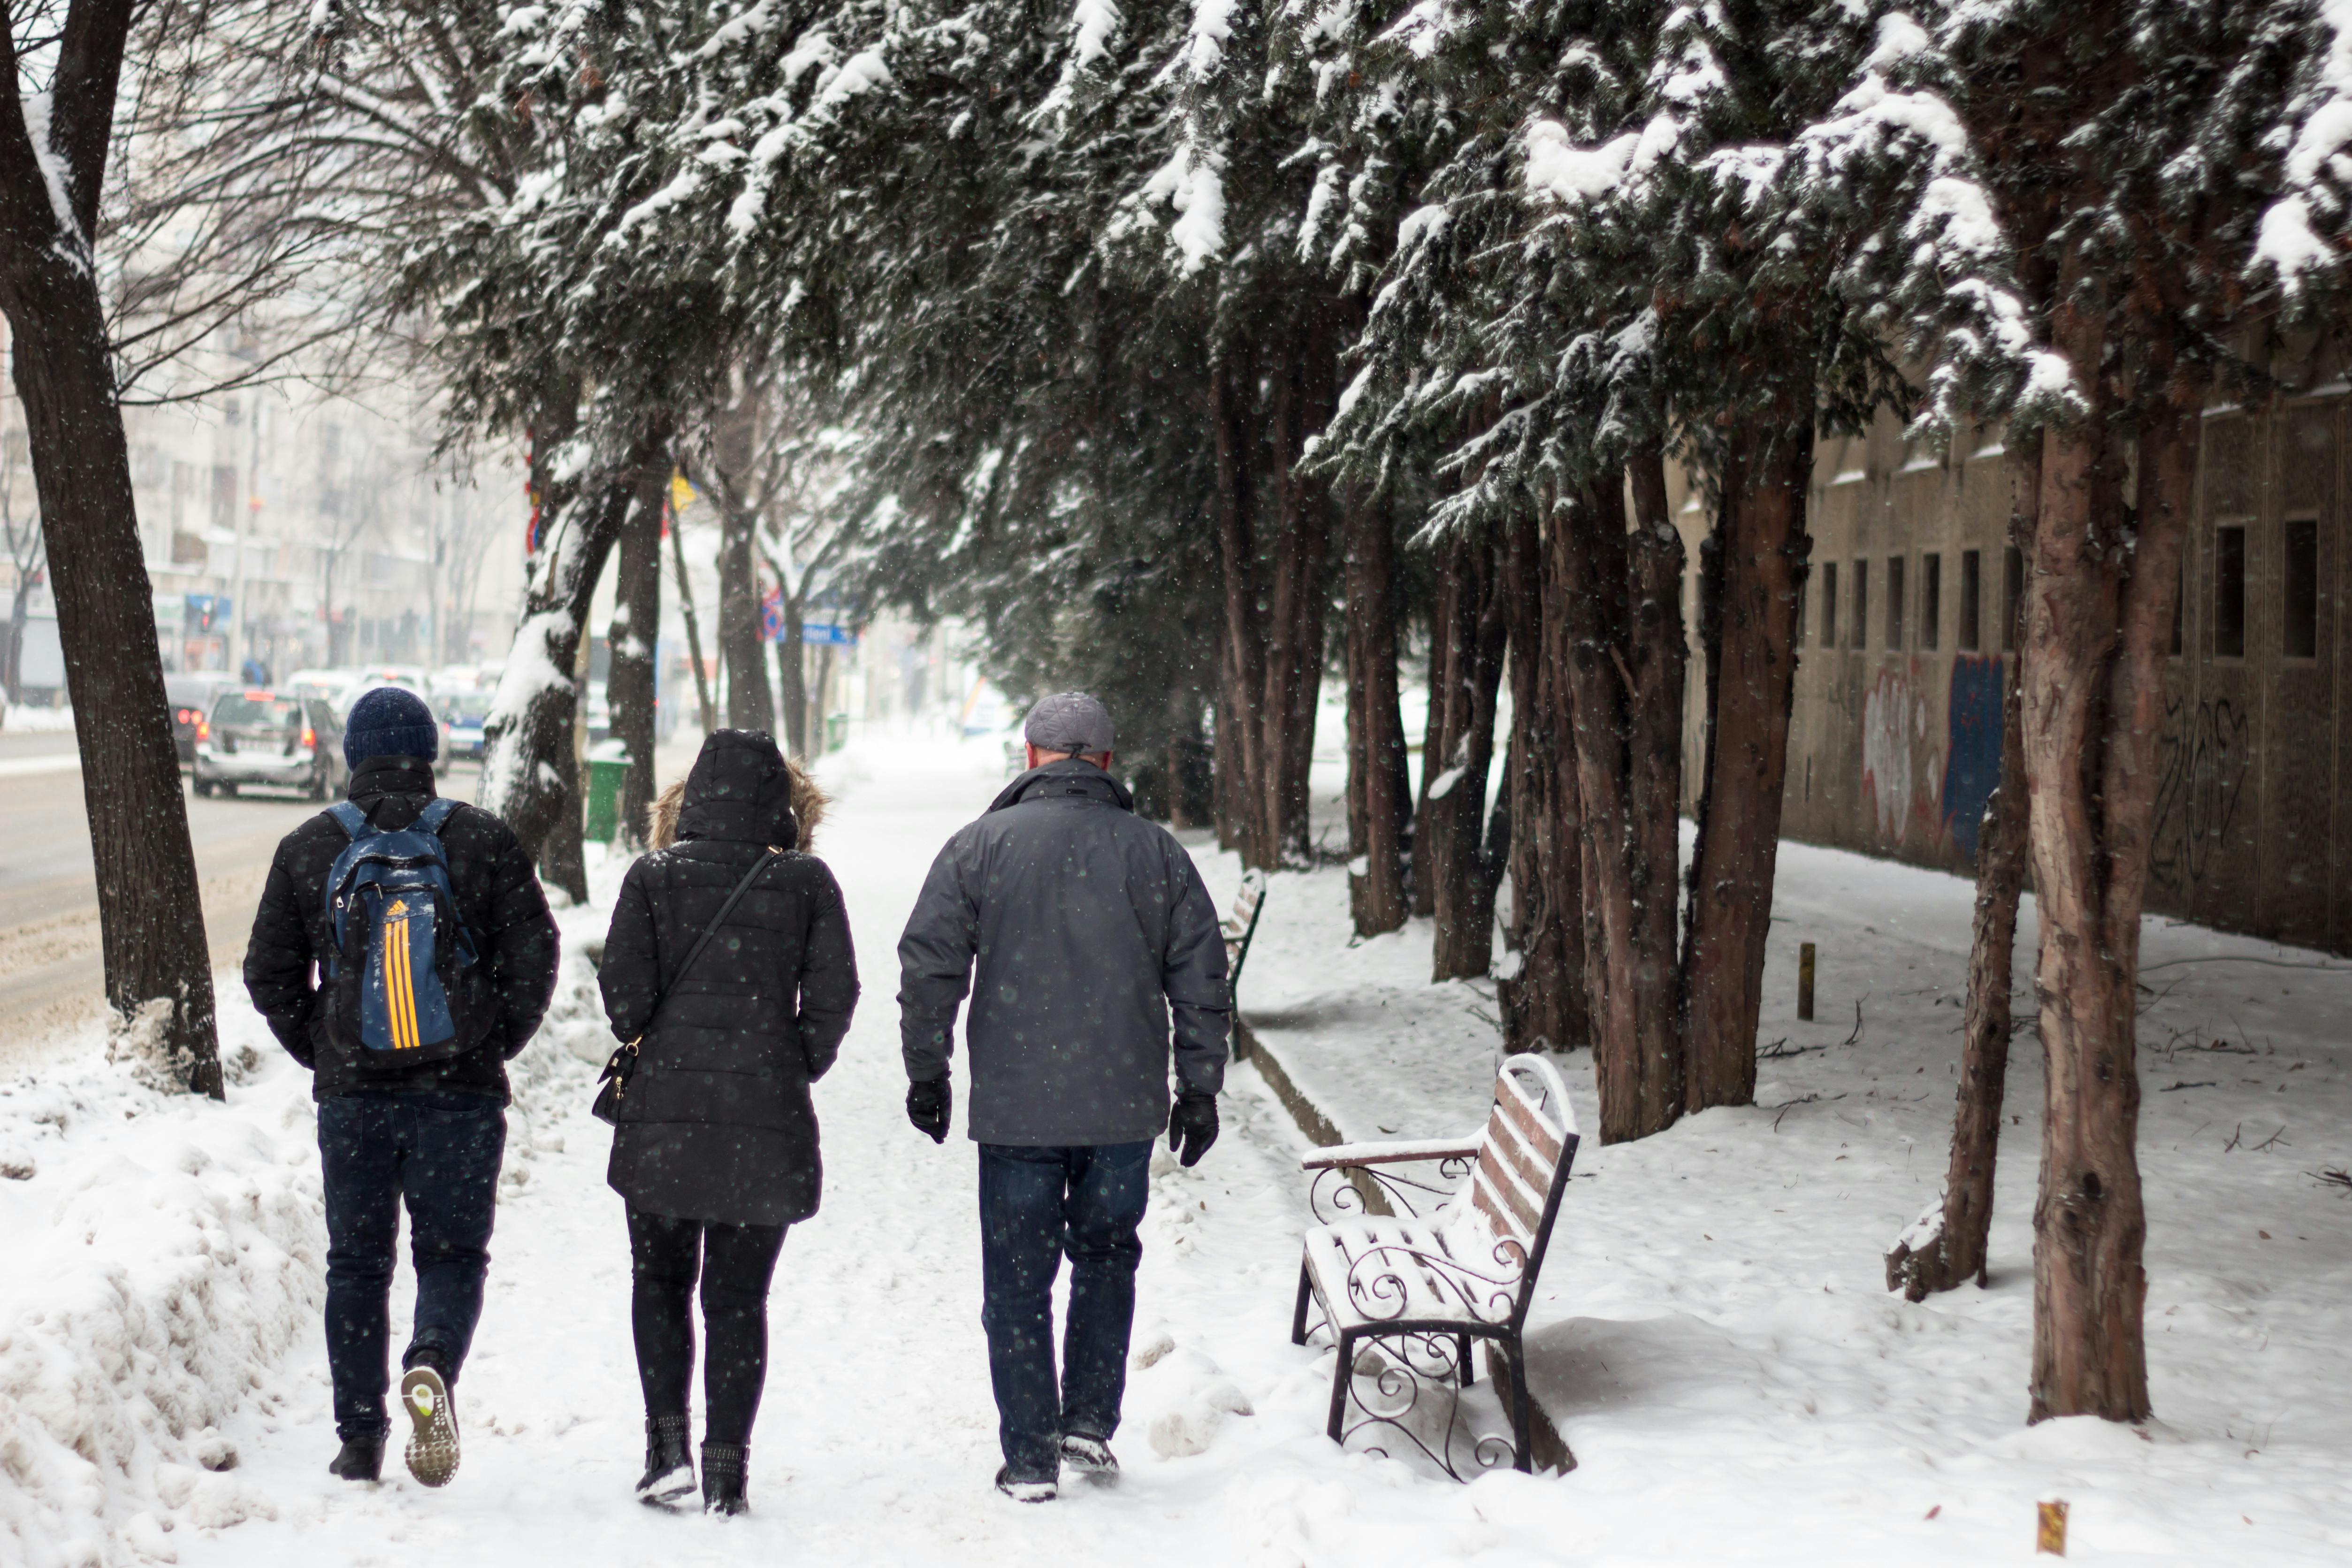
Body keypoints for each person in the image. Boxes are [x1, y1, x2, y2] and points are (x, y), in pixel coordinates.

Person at [897, 692, 1229, 1502]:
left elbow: (930, 965)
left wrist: (928, 1069)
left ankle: (1031, 1453)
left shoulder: (979, 847)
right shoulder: (1156, 853)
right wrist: (1199, 1087)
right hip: (1121, 1109)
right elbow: (1201, 978)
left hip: (1017, 1108)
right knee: (1107, 1257)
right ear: (1107, 763)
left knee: (1017, 1277)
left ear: (1031, 755)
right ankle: (1087, 1418)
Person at [243, 686, 558, 1488]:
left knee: (356, 1263)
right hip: (460, 1092)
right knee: (451, 1253)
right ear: (430, 754)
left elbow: (268, 971)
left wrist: (325, 1047)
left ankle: (358, 1436)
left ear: (354, 757)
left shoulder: (311, 845)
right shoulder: (482, 840)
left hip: (354, 1098)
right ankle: (431, 1362)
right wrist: (489, 1045)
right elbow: (535, 956)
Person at [598, 730, 858, 1516]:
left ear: (693, 794)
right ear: (781, 798)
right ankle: (726, 1471)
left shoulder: (653, 877)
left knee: (661, 1282)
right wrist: (791, 1061)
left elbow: (625, 1004)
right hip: (763, 1124)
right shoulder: (809, 883)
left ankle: (665, 1448)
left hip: (662, 1123)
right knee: (738, 1302)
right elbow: (836, 998)